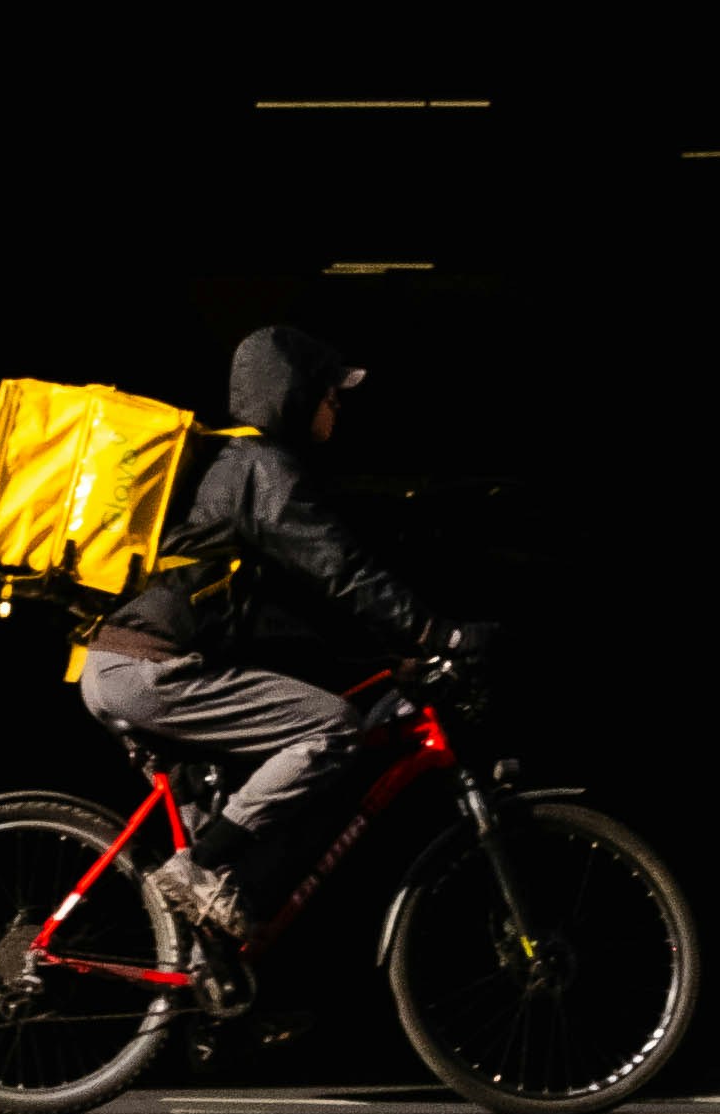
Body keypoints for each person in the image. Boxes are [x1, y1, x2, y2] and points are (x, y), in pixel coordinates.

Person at [79, 320, 465, 966]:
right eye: (327, 391)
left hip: (136, 666)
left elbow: (293, 615)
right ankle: (197, 865)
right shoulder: (259, 468)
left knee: (234, 855)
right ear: (290, 392)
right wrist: (435, 632)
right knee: (332, 728)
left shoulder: (244, 471)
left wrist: (382, 658)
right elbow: (340, 569)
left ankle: (211, 998)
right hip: (150, 672)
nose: (337, 404)